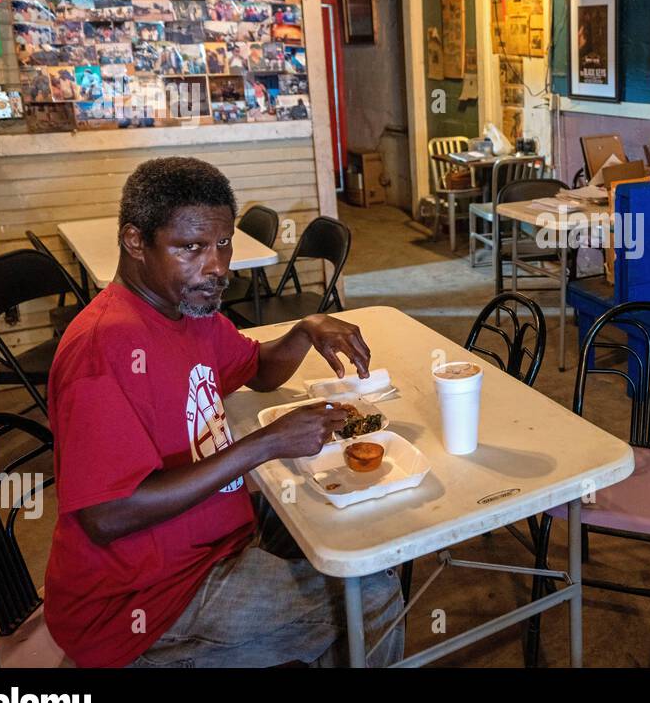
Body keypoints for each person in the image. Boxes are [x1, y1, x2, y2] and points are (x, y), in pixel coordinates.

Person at [44, 158, 405, 668]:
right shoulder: (103, 349)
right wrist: (265, 444)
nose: (216, 267)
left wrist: (305, 329)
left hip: (211, 537)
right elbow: (109, 515)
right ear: (135, 242)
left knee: (346, 527)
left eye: (223, 243)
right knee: (369, 596)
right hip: (142, 603)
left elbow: (257, 369)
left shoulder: (187, 309)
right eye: (189, 248)